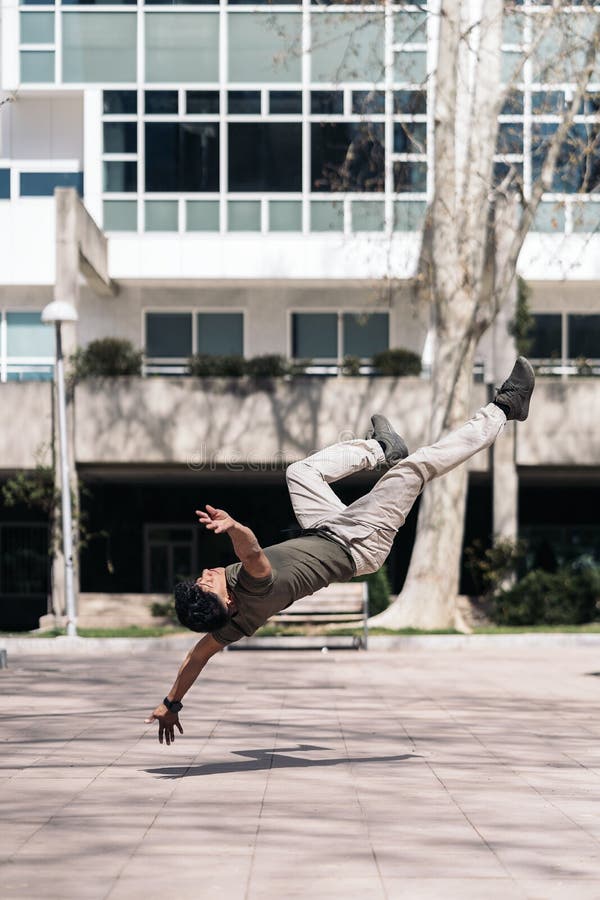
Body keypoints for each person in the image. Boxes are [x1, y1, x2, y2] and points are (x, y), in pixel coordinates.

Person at [146, 357, 535, 744]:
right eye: (206, 586)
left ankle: (382, 449)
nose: (205, 576)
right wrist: (233, 527)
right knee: (416, 468)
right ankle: (504, 408)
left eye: (200, 580)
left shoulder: (226, 625)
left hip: (327, 531)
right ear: (228, 603)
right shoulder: (255, 590)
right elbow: (251, 553)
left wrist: (172, 702)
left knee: (299, 473)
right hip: (361, 542)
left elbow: (195, 657)